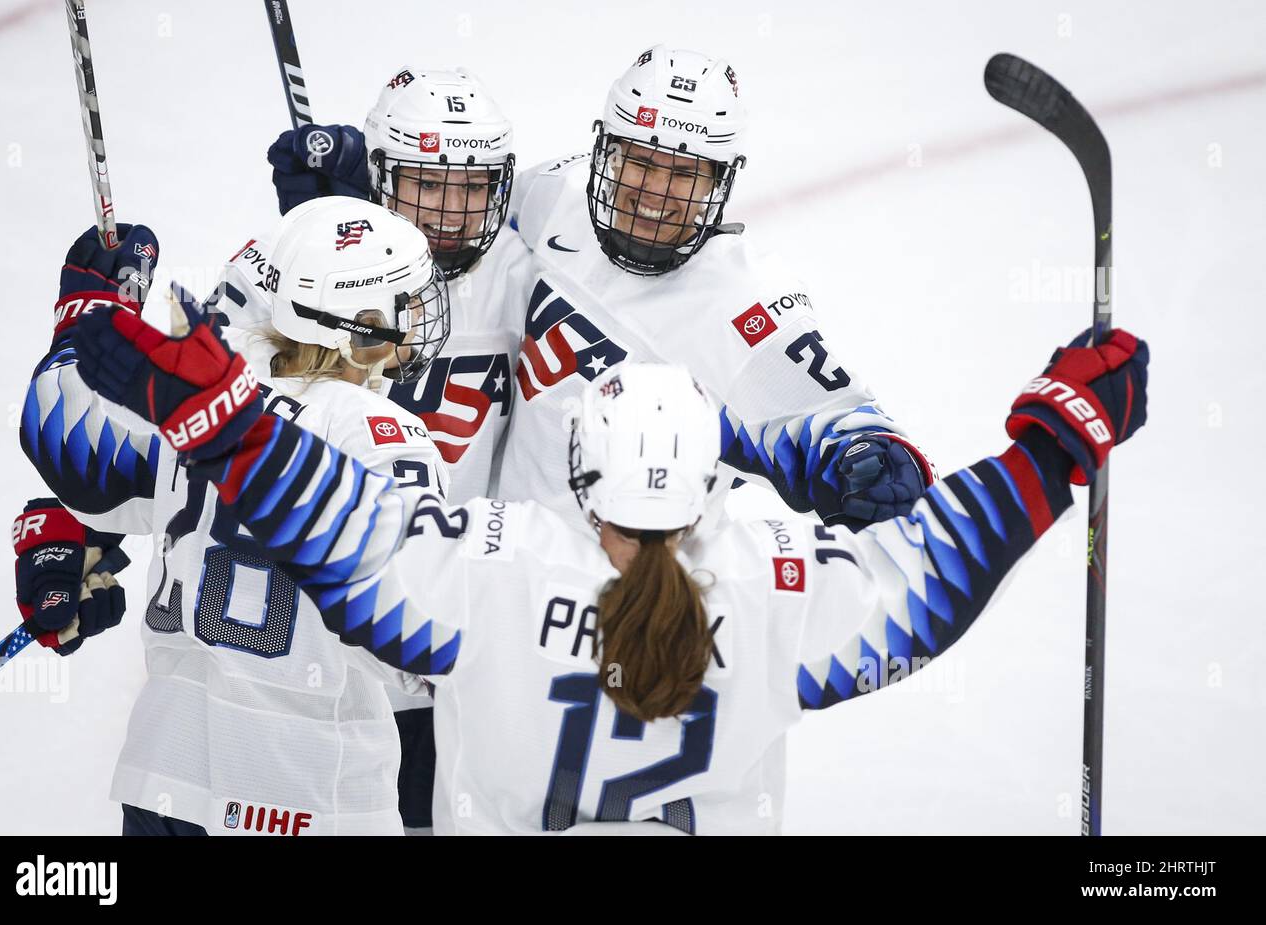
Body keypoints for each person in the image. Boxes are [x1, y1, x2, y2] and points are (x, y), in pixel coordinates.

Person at [67, 292, 1149, 834]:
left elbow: (344, 531)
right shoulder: (777, 582)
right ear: (710, 483)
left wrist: (219, 419)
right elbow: (930, 575)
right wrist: (1057, 443)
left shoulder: (499, 567)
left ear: (580, 478)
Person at [18, 197, 450, 835]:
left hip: (165, 783)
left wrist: (96, 307)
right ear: (360, 327)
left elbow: (66, 442)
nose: (417, 325)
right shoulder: (378, 433)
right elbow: (421, 640)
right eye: (406, 305)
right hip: (309, 797)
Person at [499, 44, 933, 528]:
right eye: (642, 162)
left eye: (685, 173)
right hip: (500, 562)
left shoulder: (744, 299)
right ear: (609, 154)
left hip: (632, 590)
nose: (656, 192)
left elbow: (838, 419)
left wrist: (875, 460)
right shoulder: (553, 195)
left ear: (720, 181)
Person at [225, 66, 529, 502]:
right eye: (427, 182)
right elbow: (192, 398)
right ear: (378, 175)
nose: (453, 211)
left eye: (476, 185)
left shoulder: (521, 268)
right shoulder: (285, 263)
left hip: (456, 554)